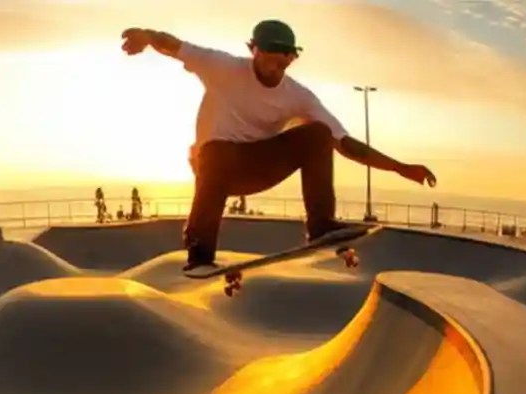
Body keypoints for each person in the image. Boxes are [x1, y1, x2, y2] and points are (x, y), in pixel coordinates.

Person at [120, 19, 438, 271]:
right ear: (253, 50)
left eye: (284, 61)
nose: (276, 69)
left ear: (291, 57)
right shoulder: (224, 67)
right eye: (270, 60)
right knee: (217, 151)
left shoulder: (298, 96)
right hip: (214, 169)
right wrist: (146, 36)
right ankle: (200, 249)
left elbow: (345, 143)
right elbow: (176, 46)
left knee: (318, 133)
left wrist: (400, 167)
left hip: (259, 167)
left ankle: (321, 224)